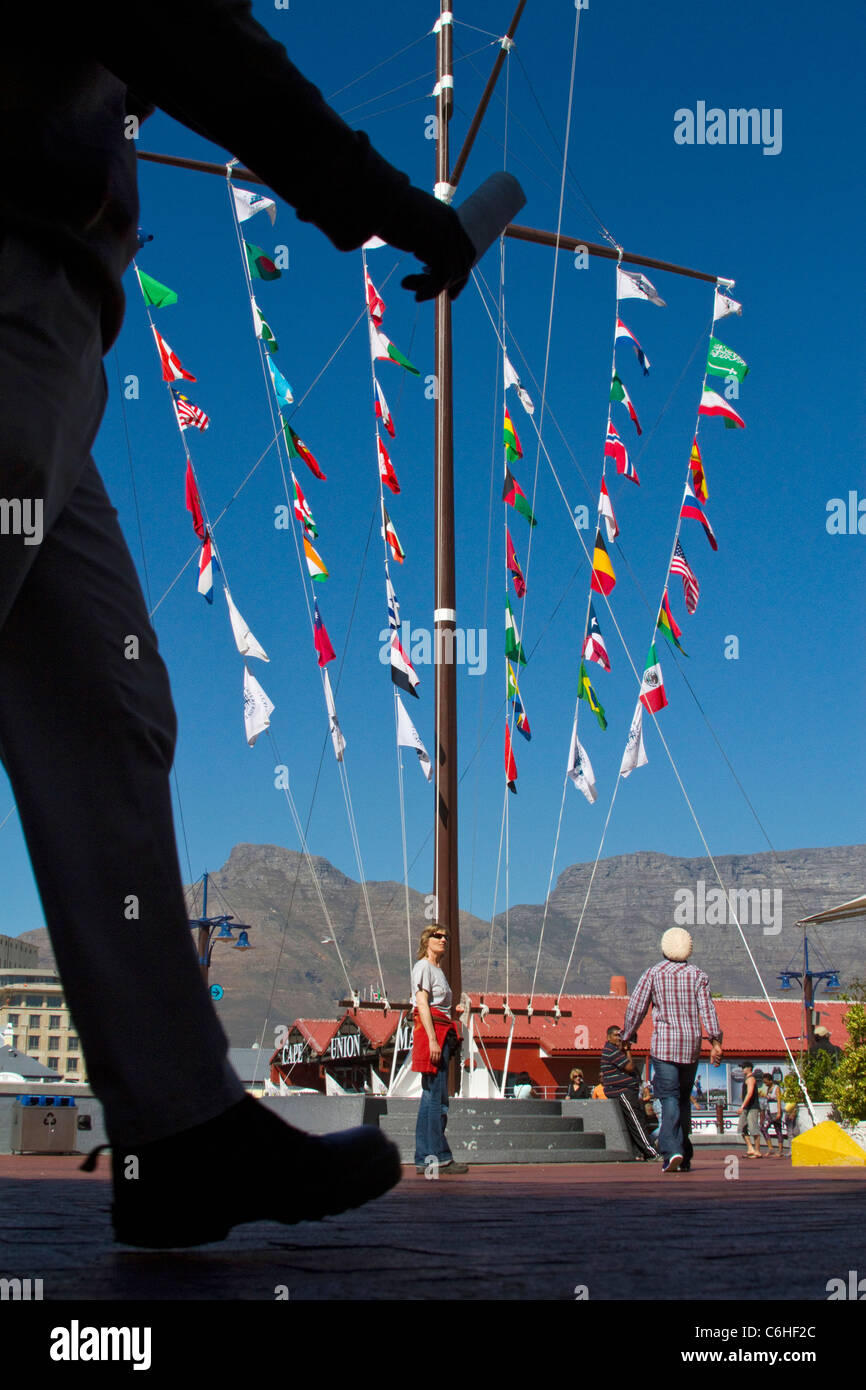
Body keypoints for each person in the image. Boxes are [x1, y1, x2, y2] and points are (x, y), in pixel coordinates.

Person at [0, 4, 476, 1248]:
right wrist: (380, 199)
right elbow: (182, 23)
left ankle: (177, 1132)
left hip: (54, 304)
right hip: (8, 272)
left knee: (105, 710)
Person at [621, 927, 723, 1174]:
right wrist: (716, 1041)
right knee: (682, 1099)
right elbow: (707, 1010)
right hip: (691, 1046)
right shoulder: (698, 975)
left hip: (665, 1046)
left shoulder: (653, 974)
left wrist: (627, 1035)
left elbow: (637, 1007)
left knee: (668, 1098)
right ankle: (685, 1154)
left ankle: (671, 1150)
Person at [411, 925, 468, 1176]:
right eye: (438, 935)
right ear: (427, 939)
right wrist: (433, 1039)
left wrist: (455, 1013)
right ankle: (439, 1157)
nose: (444, 939)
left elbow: (437, 1004)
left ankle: (425, 1157)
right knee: (437, 1098)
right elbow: (422, 1004)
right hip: (433, 1033)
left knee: (429, 1097)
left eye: (446, 936)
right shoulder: (423, 967)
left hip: (443, 1031)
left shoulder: (438, 971)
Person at [600, 1025, 660, 1161]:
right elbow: (630, 1066)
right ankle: (651, 1152)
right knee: (636, 1121)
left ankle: (640, 1152)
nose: (619, 1038)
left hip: (628, 1090)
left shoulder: (615, 1051)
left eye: (620, 1035)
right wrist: (627, 1051)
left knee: (636, 1122)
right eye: (616, 1035)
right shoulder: (611, 1050)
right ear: (609, 1037)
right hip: (621, 1090)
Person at [737, 1063, 763, 1158]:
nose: (742, 1069)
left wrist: (742, 1106)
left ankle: (757, 1151)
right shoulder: (746, 1079)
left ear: (749, 1068)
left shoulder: (751, 1079)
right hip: (746, 1107)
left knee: (753, 1128)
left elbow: (750, 1093)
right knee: (742, 1128)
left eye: (744, 1067)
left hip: (752, 1107)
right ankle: (750, 1148)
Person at [763, 1073, 785, 1156]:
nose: (765, 1084)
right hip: (769, 1111)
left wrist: (779, 1112)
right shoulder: (768, 1088)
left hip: (775, 1111)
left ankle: (780, 1150)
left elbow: (779, 1100)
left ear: (770, 1080)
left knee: (778, 1129)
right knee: (763, 1128)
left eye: (766, 1082)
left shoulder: (776, 1088)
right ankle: (770, 1147)